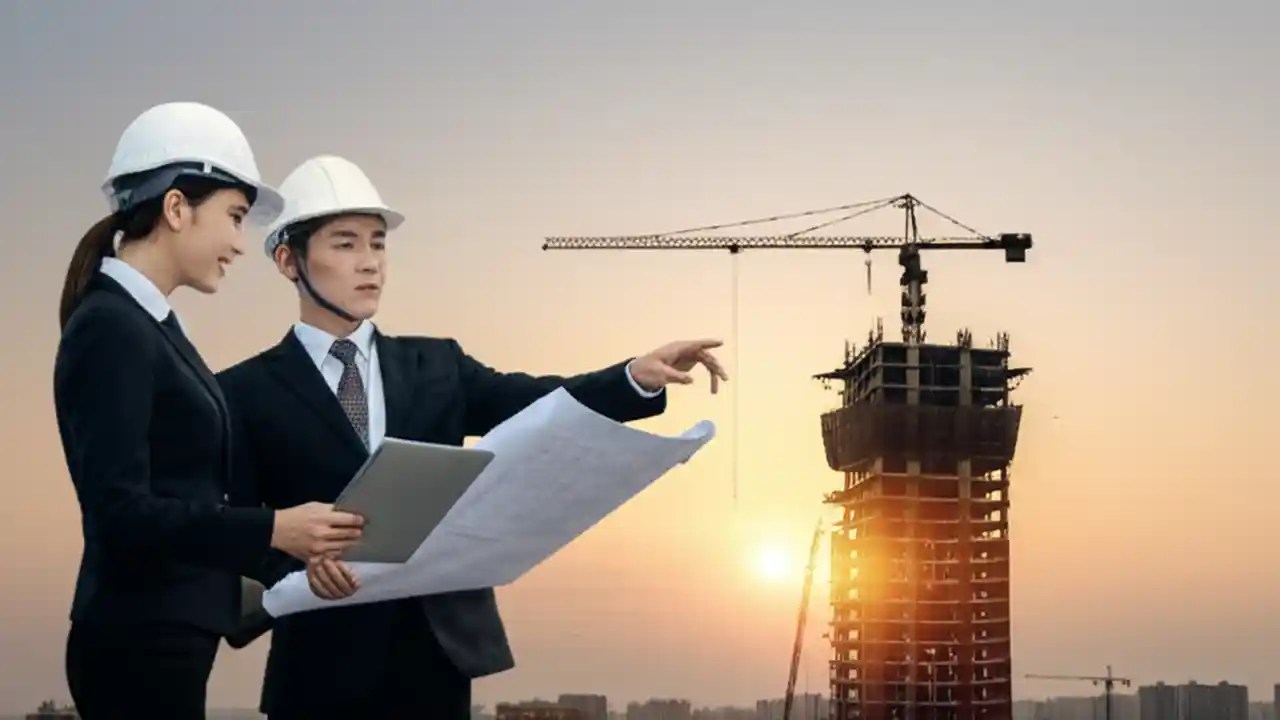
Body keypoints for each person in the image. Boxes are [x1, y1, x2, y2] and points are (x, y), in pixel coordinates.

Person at [218, 154, 728, 719]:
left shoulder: (438, 364)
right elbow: (233, 524)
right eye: (345, 244)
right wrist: (294, 568)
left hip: (435, 659)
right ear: (290, 260)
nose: (371, 264)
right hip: (319, 663)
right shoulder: (241, 392)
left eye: (378, 244)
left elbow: (538, 403)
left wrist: (631, 376)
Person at [52, 104, 367, 719]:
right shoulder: (112, 328)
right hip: (138, 643)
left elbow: (186, 497)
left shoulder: (148, 326)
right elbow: (121, 513)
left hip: (165, 638)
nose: (238, 245)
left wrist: (297, 554)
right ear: (176, 209)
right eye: (234, 217)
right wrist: (274, 528)